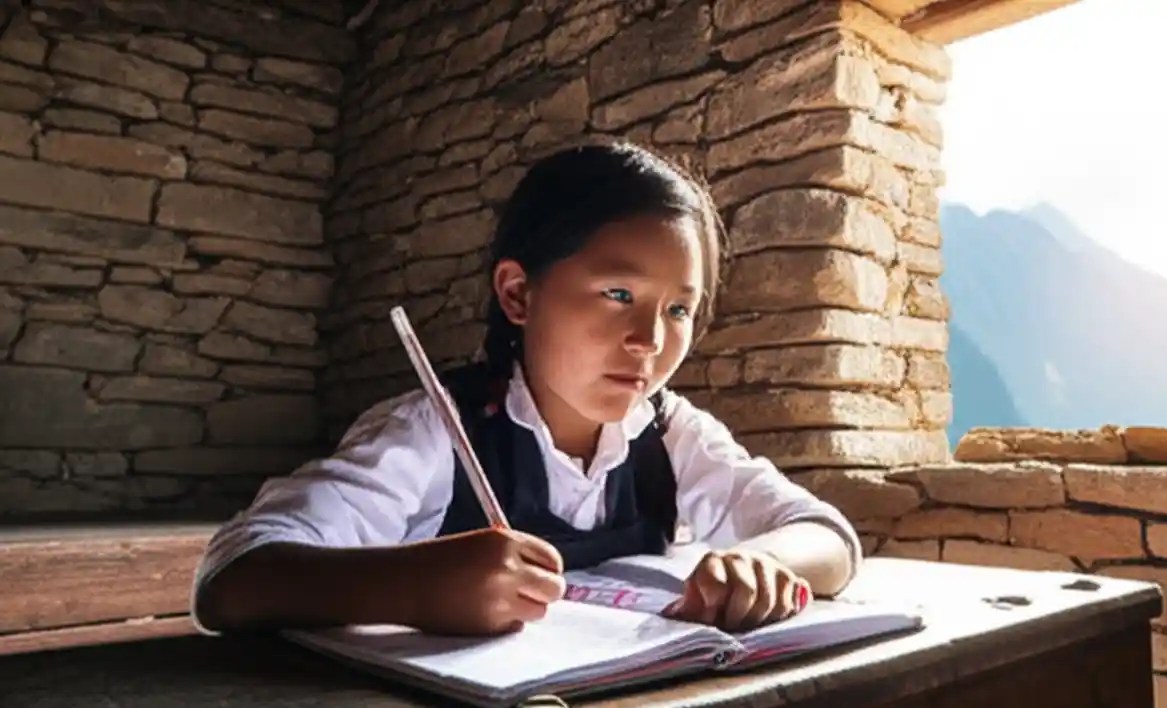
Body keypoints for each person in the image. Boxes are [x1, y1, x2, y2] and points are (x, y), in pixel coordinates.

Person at [192, 141, 862, 638]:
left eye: (678, 309)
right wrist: (416, 588)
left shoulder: (666, 430)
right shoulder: (434, 430)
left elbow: (826, 537)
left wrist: (759, 563)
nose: (650, 340)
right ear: (518, 293)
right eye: (618, 294)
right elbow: (234, 580)